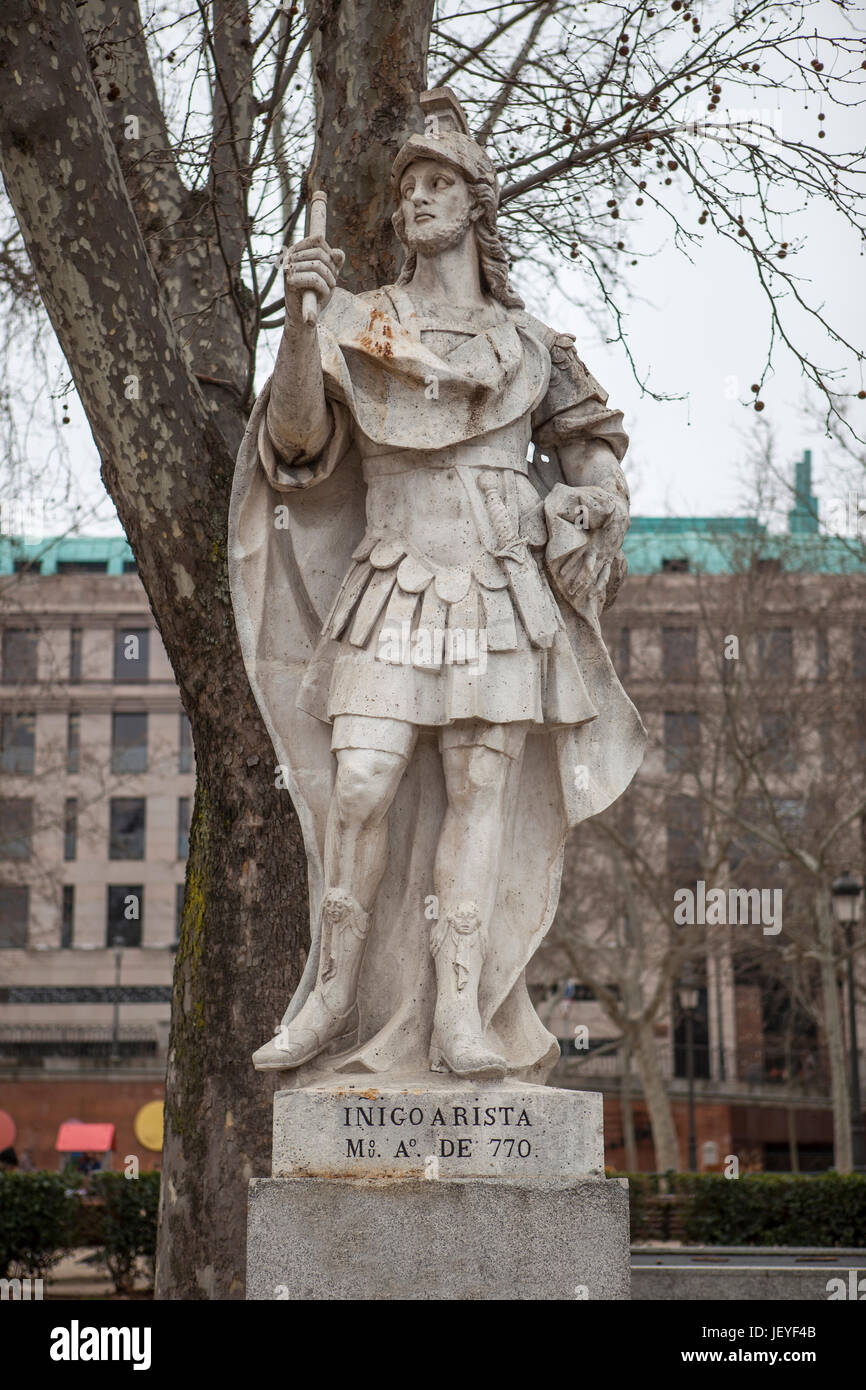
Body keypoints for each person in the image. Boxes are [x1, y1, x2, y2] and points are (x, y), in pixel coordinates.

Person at [230, 89, 645, 1082]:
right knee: (362, 781)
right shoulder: (359, 321)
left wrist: (588, 507)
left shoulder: (531, 342)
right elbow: (295, 442)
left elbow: (595, 462)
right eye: (407, 184)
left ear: (473, 203)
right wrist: (299, 323)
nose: (416, 197)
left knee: (479, 786)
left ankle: (459, 1011)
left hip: (499, 584)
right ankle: (331, 994)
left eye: (437, 182)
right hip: (390, 576)